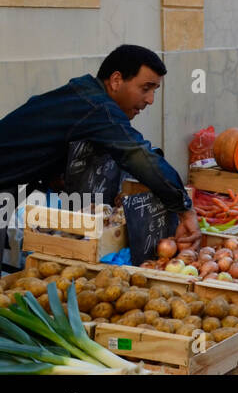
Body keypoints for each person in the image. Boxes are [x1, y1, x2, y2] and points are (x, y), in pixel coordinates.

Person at [0, 45, 199, 251]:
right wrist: (184, 209)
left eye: (154, 91)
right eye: (145, 88)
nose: (150, 100)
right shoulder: (98, 108)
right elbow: (138, 155)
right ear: (116, 80)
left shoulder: (82, 97)